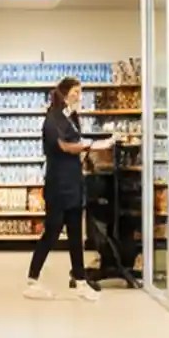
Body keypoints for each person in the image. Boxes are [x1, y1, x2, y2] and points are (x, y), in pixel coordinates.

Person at [24, 76, 112, 302]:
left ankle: (80, 281)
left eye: (80, 93)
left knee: (75, 234)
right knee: (52, 232)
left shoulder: (71, 118)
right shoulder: (52, 119)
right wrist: (94, 145)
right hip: (58, 185)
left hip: (73, 183)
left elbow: (77, 141)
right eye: (75, 92)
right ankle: (32, 280)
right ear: (64, 94)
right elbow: (64, 146)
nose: (78, 97)